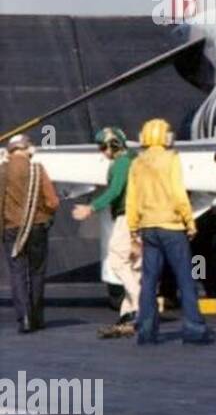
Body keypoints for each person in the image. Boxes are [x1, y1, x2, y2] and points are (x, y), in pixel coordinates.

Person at [126, 118, 216, 345]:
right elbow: (178, 193)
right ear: (166, 137)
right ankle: (194, 329)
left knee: (148, 281)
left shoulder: (137, 163)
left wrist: (133, 227)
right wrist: (190, 220)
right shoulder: (172, 159)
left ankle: (146, 331)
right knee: (185, 279)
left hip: (148, 227)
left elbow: (132, 198)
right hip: (172, 227)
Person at [72, 126, 141, 338]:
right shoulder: (134, 160)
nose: (102, 151)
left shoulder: (121, 163)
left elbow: (115, 190)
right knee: (135, 265)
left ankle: (140, 305)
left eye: (103, 146)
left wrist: (90, 207)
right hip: (139, 215)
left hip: (126, 216)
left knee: (117, 261)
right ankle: (128, 313)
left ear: (113, 145)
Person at [0, 134, 60, 333]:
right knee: (37, 272)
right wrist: (45, 213)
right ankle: (36, 318)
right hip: (37, 227)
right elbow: (52, 201)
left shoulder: (3, 171)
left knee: (17, 274)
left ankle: (24, 319)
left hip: (10, 229)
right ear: (27, 148)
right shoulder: (37, 169)